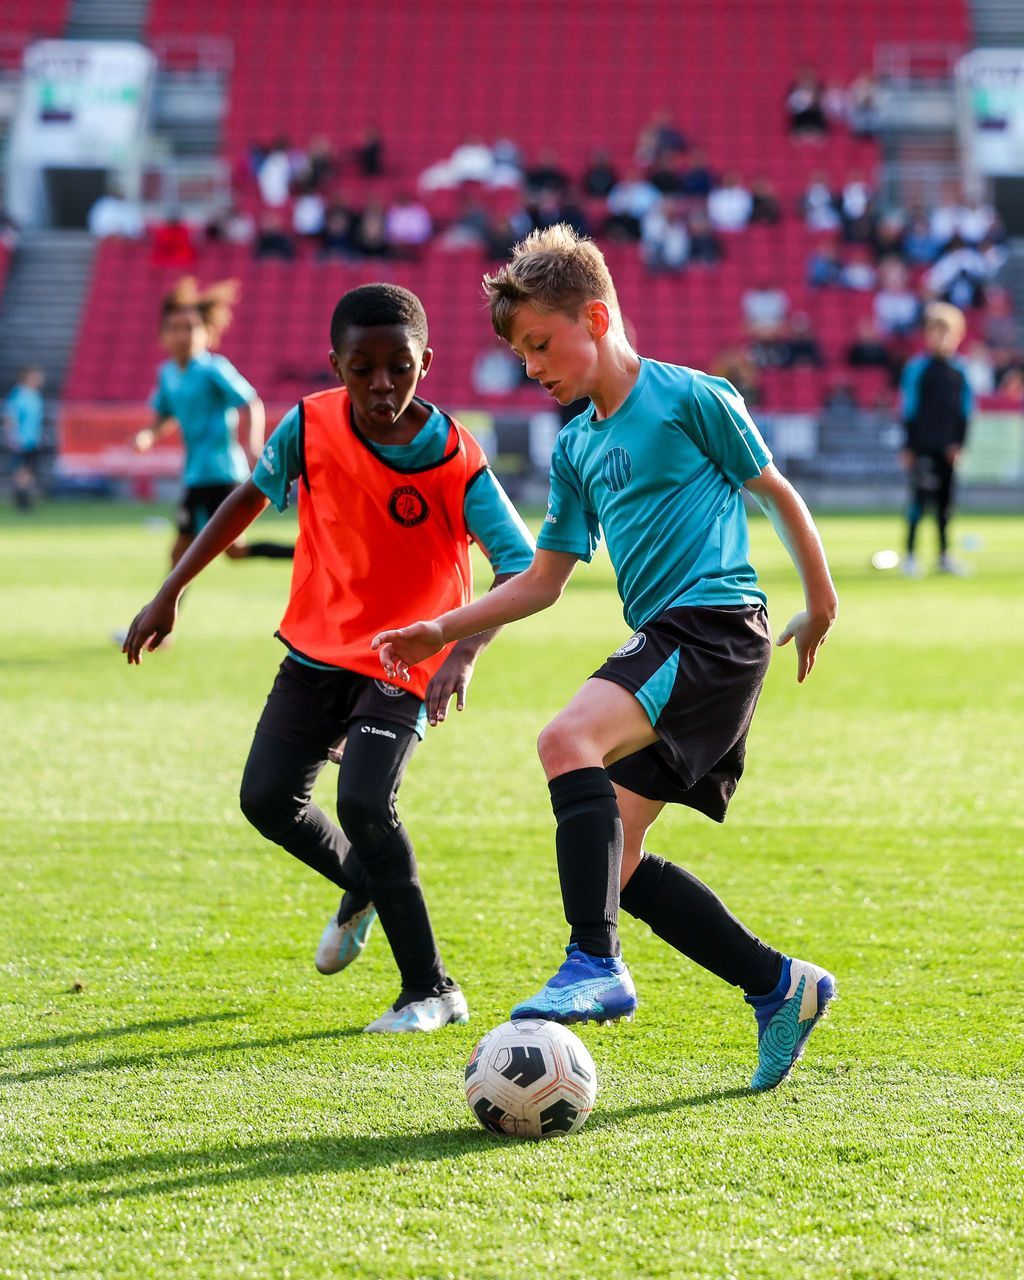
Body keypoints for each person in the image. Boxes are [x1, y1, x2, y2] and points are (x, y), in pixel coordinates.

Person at [373, 226, 839, 1092]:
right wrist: (447, 633)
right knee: (614, 861)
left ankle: (594, 961)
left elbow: (775, 492)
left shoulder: (692, 398)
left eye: (541, 345)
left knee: (564, 741)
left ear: (596, 316)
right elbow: (543, 580)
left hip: (713, 629)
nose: (532, 368)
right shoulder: (577, 447)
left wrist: (822, 599)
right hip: (676, 638)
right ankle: (781, 987)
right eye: (520, 355)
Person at [123, 284, 535, 1033]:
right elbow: (247, 499)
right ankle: (367, 881)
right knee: (265, 799)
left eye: (399, 367)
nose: (382, 384)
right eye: (362, 367)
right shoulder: (309, 425)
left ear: (426, 363)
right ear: (336, 365)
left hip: (401, 659)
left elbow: (521, 566)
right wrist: (172, 590)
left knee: (365, 804)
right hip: (316, 648)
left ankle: (430, 989)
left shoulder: (456, 458)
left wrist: (462, 651)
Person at [132, 277, 289, 571]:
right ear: (164, 335)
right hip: (195, 475)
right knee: (207, 552)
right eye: (175, 329)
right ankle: (305, 553)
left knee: (197, 552)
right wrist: (148, 435)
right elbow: (165, 415)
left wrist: (253, 445)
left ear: (207, 334)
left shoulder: (213, 369)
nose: (183, 336)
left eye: (190, 328)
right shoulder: (167, 374)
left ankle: (307, 554)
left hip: (223, 472)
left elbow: (250, 401)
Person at [898, 302, 973, 577]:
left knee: (945, 503)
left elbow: (965, 411)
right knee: (920, 500)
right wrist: (908, 446)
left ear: (958, 335)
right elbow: (909, 408)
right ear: (926, 334)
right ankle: (910, 555)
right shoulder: (918, 368)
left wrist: (959, 444)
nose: (941, 337)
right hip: (922, 447)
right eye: (935, 331)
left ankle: (943, 556)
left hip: (949, 449)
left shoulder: (961, 371)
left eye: (947, 332)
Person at [3, 365, 46, 511]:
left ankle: (25, 500)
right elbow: (10, 418)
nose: (40, 378)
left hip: (33, 439)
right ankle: (22, 502)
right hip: (21, 440)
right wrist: (13, 437)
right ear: (28, 377)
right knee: (22, 470)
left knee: (29, 470)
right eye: (37, 375)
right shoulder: (18, 395)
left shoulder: (35, 395)